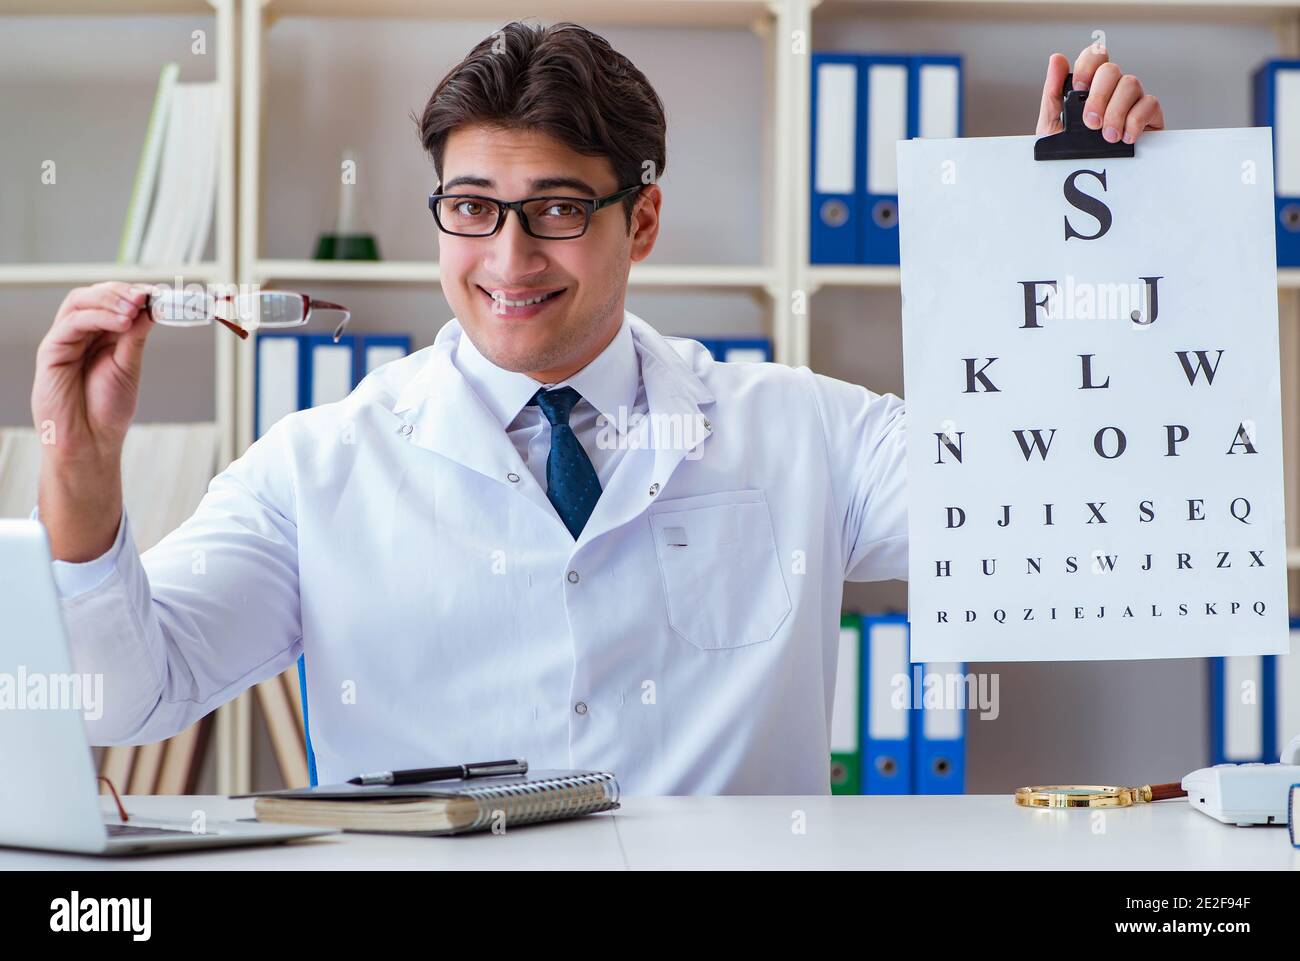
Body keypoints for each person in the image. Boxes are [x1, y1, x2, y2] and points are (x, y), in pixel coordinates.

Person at [29, 23, 1164, 794]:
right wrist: (79, 474)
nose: (507, 257)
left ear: (646, 220)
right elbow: (125, 697)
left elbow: (1057, 492)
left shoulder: (805, 430)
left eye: (557, 209)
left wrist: (1077, 223)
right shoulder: (316, 467)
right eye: (471, 207)